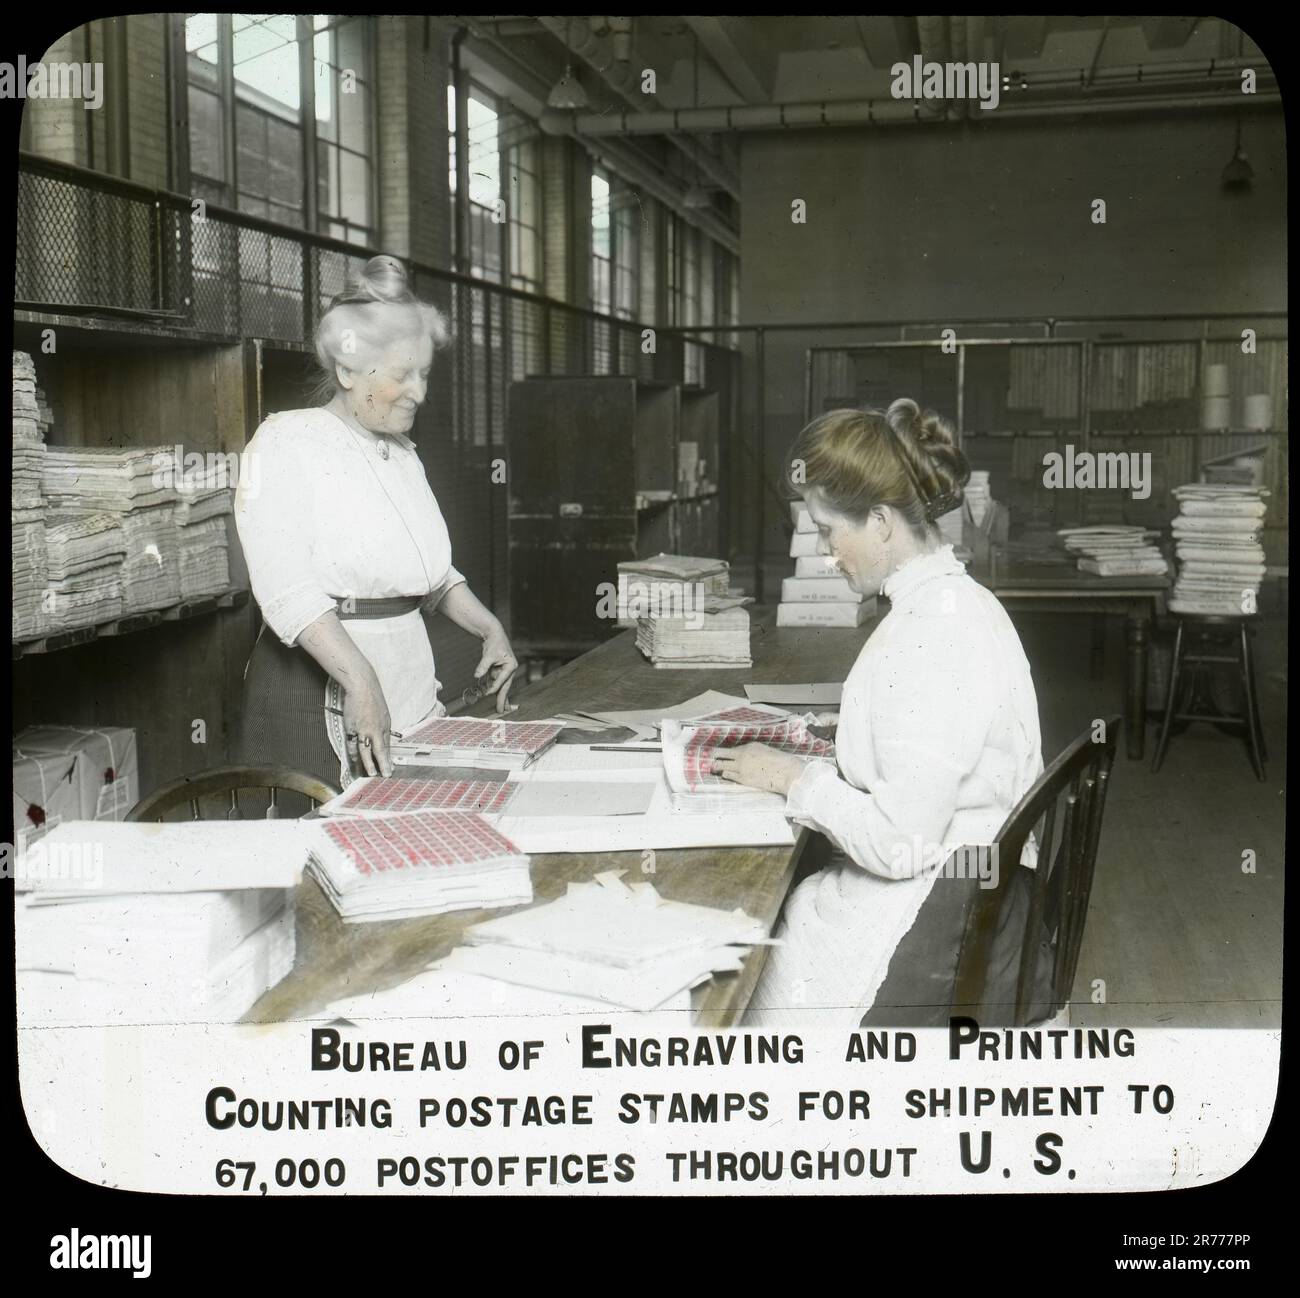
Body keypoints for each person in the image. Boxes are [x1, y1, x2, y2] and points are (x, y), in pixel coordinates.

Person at [713, 399, 1044, 1028]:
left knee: (742, 965)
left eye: (828, 530)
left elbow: (899, 844)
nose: (826, 552)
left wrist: (793, 778)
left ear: (882, 522)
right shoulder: (959, 602)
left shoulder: (931, 634)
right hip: (978, 893)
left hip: (942, 921)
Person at [234, 255, 518, 789]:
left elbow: (428, 574)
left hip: (407, 679)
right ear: (346, 369)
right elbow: (286, 594)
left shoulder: (403, 454)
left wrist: (489, 628)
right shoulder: (287, 442)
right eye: (401, 375)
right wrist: (361, 681)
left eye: (425, 374)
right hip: (317, 694)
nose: (420, 391)